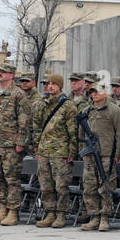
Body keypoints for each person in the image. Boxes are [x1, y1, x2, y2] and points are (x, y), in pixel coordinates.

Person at [0, 61, 31, 226]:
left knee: (12, 179)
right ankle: (2, 208)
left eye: (3, 71)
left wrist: (21, 142)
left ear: (11, 75)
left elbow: (24, 121)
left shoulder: (18, 94)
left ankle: (13, 212)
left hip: (11, 145)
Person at [80, 78, 120, 232]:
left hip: (107, 154)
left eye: (97, 91)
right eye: (92, 92)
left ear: (105, 93)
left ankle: (105, 217)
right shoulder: (87, 111)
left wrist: (118, 154)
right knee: (89, 186)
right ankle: (94, 216)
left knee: (106, 185)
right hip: (90, 155)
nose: (94, 95)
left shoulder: (114, 110)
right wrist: (82, 150)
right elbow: (80, 133)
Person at [32, 73, 78, 229]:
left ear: (60, 86)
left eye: (54, 83)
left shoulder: (68, 105)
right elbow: (37, 127)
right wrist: (37, 148)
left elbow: (73, 131)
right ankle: (49, 212)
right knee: (45, 185)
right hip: (44, 151)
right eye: (48, 83)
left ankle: (61, 214)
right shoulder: (41, 104)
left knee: (61, 186)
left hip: (61, 152)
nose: (50, 86)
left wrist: (72, 152)